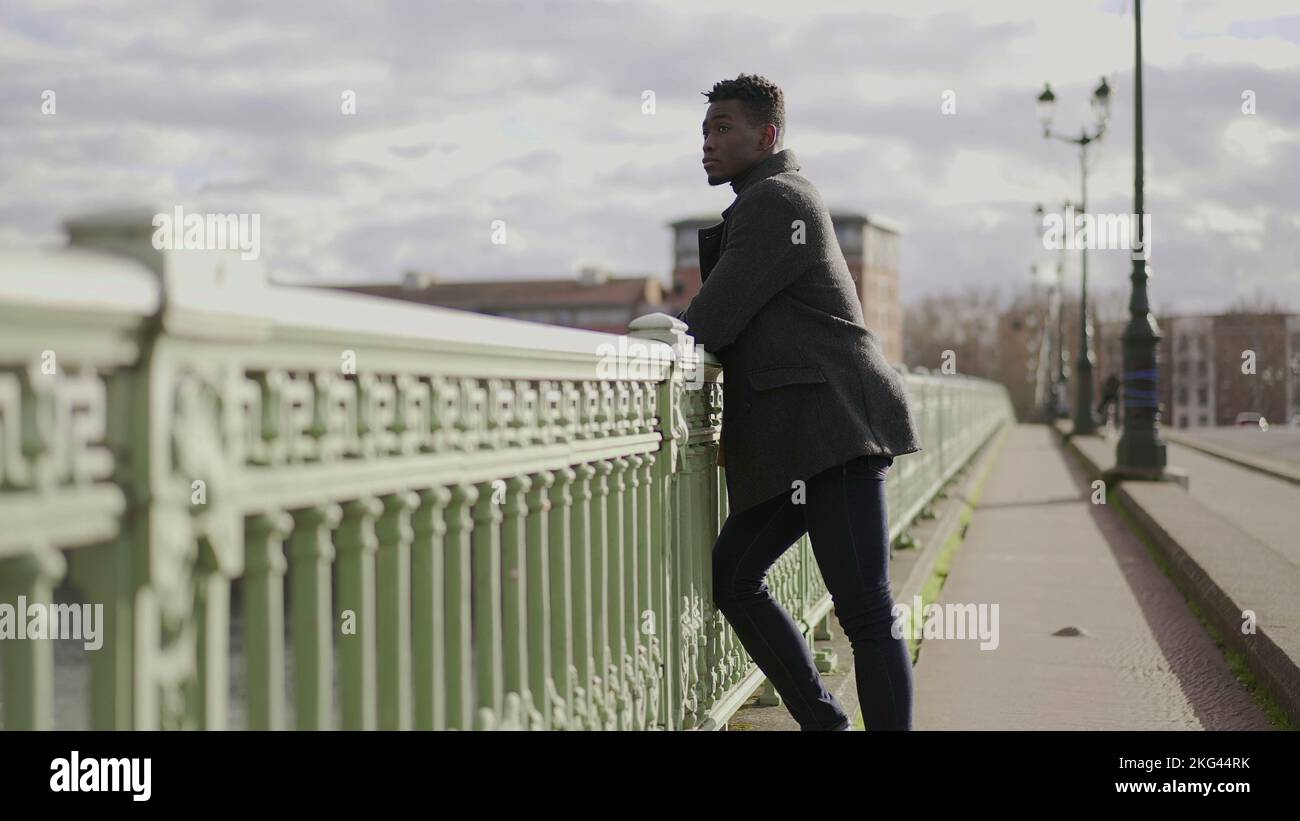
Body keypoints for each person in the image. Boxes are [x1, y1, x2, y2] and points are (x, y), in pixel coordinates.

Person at [675, 74, 922, 731]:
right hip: (803, 439)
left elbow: (713, 319)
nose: (707, 142)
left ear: (769, 134)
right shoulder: (773, 197)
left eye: (723, 128)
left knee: (864, 608)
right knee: (735, 575)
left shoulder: (776, 201)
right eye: (704, 129)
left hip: (833, 432)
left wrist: (671, 334)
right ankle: (826, 723)